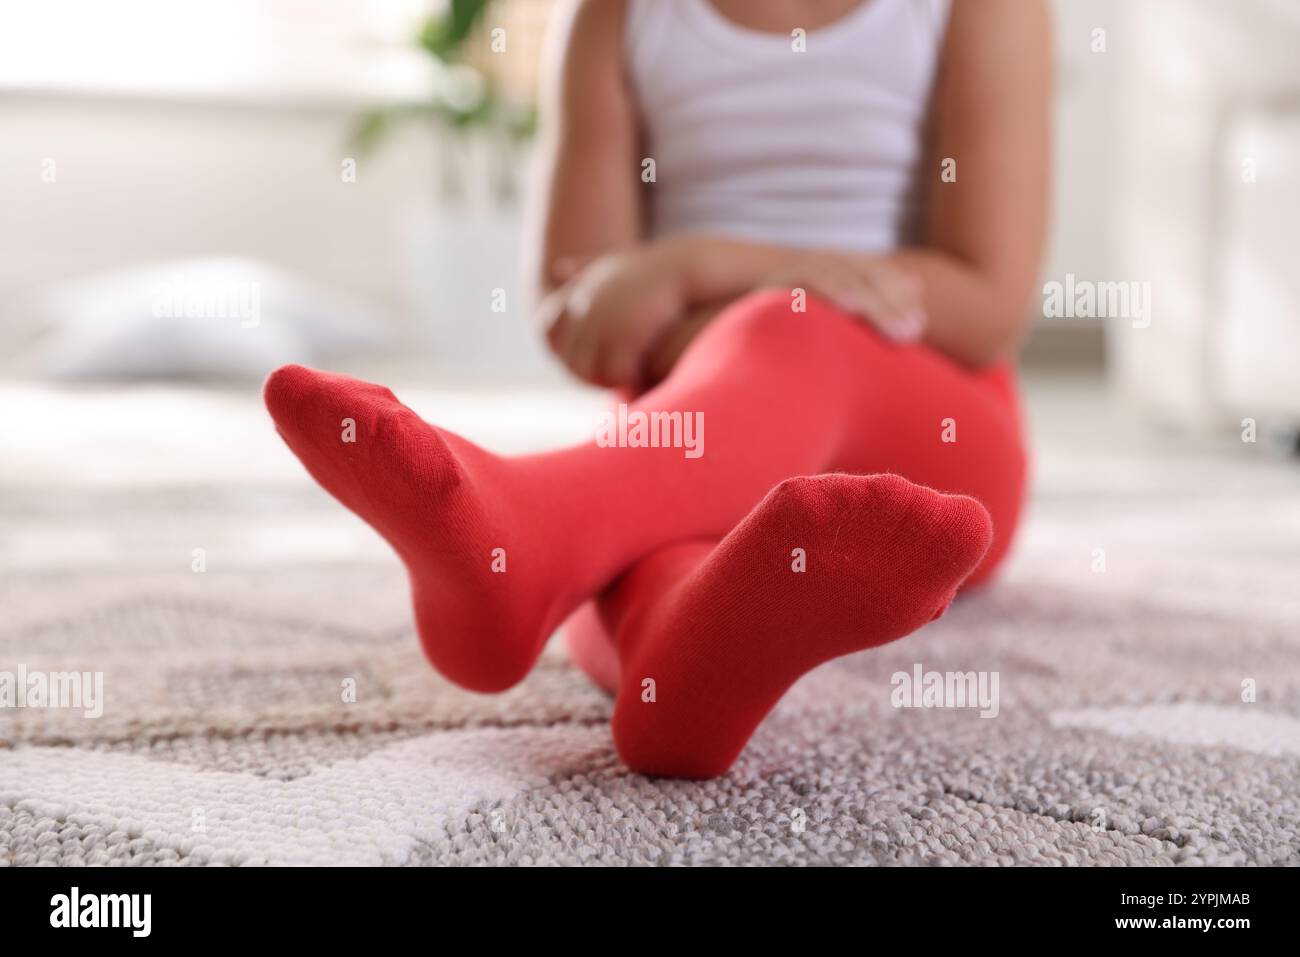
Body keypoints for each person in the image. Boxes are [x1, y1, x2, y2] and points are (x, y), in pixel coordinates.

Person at [263, 0, 1050, 778]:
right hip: (688, 438)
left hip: (940, 443)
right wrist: (726, 333)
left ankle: (529, 535)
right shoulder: (615, 13)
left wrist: (698, 269)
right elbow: (584, 316)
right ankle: (677, 676)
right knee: (651, 547)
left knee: (789, 329)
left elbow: (987, 305)